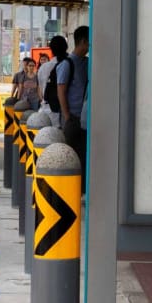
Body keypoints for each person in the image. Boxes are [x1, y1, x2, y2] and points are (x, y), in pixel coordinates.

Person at [57, 25, 89, 193]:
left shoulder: (88, 62)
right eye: (89, 42)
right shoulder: (67, 64)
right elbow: (61, 89)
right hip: (73, 119)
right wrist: (67, 115)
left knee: (83, 157)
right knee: (71, 157)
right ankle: (69, 192)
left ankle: (81, 190)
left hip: (85, 119)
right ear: (83, 41)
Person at [44, 35, 69, 127]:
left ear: (51, 50)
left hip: (49, 109)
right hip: (65, 112)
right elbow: (61, 91)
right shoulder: (68, 63)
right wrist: (67, 116)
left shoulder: (43, 67)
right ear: (66, 47)